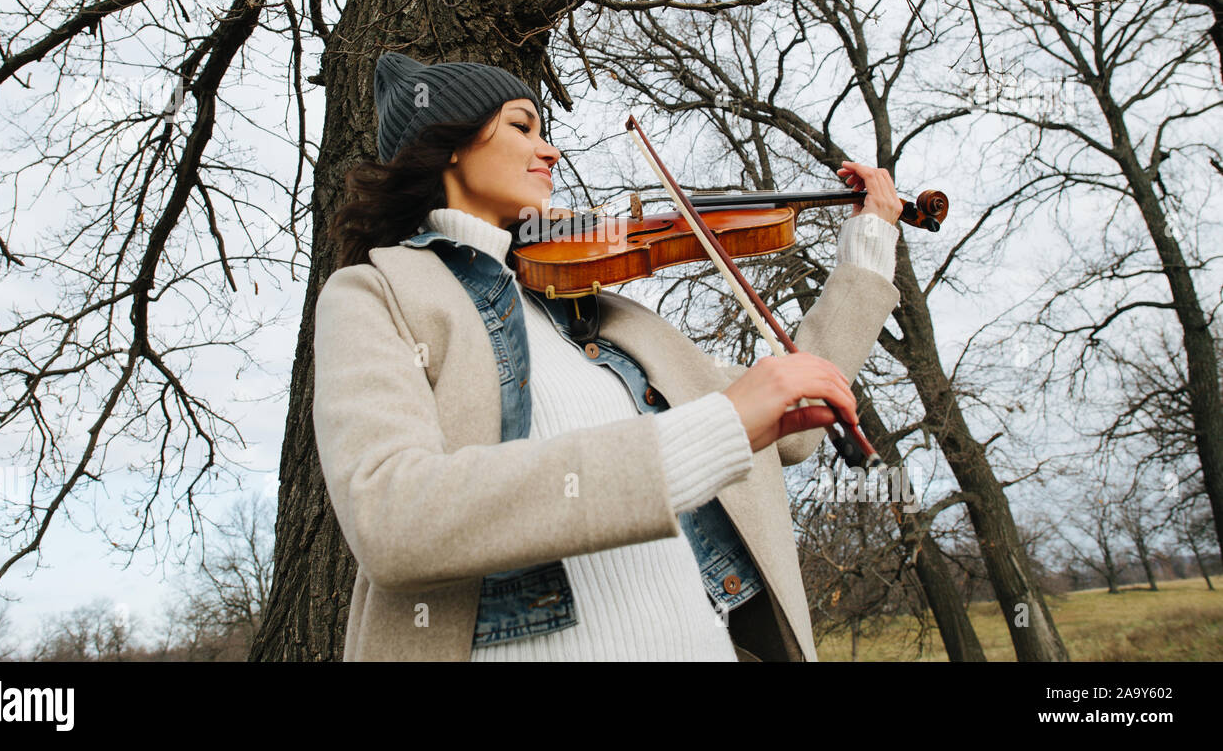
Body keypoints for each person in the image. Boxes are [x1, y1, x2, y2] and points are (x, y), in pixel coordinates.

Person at [313, 50, 902, 661]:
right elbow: (392, 518)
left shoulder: (596, 309)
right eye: (523, 127)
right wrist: (695, 440)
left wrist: (869, 247)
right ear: (452, 144)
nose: (551, 153)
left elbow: (791, 415)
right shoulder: (378, 293)